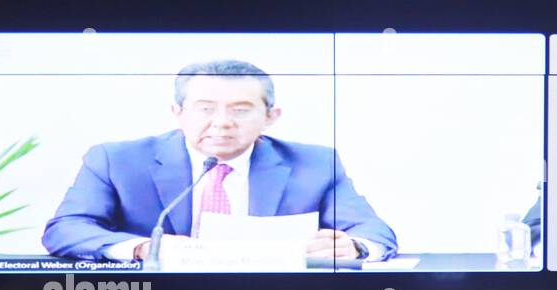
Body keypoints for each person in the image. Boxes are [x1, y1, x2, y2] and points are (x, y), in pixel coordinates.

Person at [43, 59, 398, 263]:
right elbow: (65, 230)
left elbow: (377, 234)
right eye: (206, 108)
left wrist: (356, 246)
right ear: (178, 113)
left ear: (271, 116)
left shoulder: (315, 164)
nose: (223, 122)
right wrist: (140, 247)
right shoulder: (117, 160)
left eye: (241, 110)